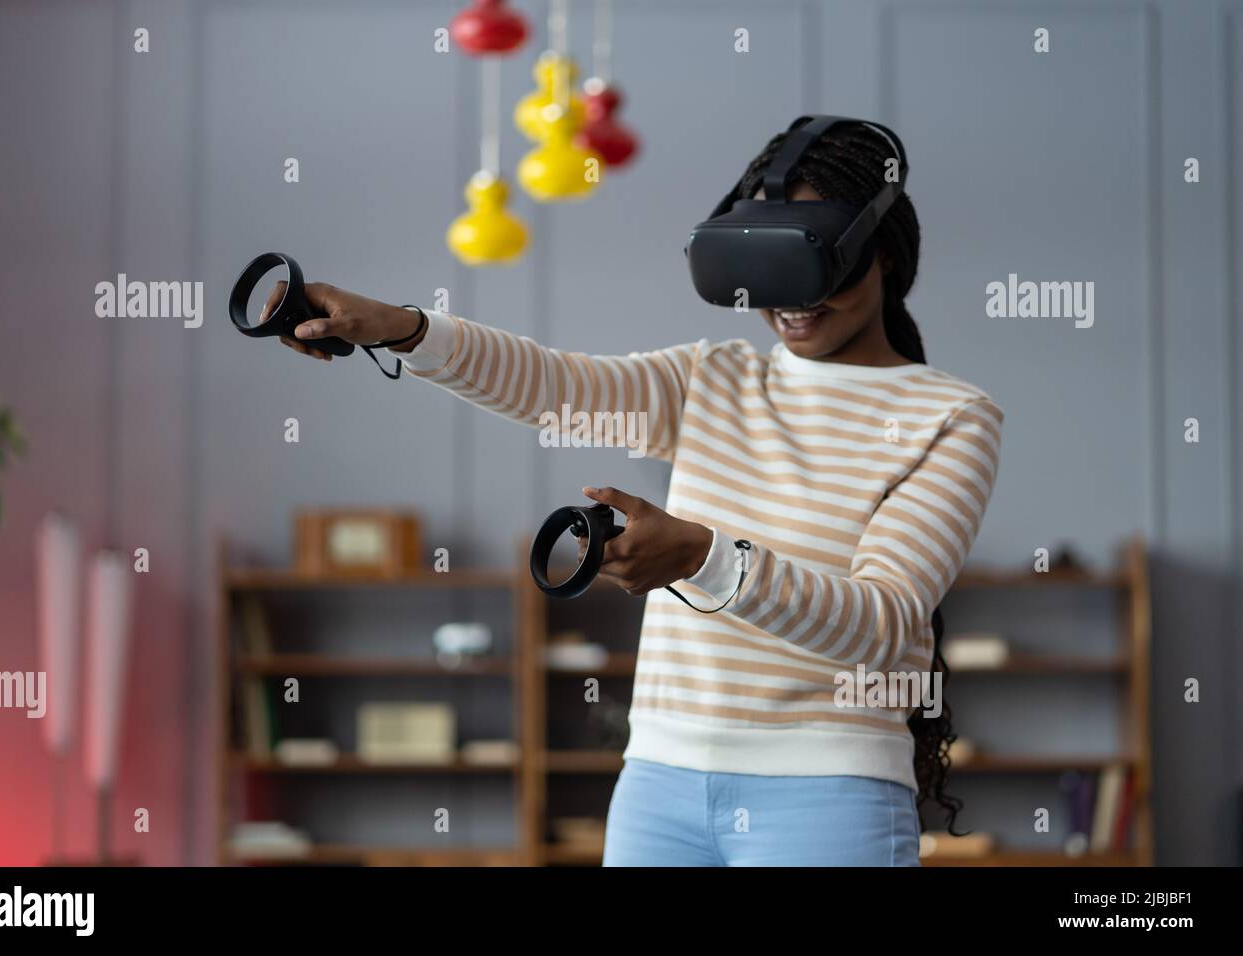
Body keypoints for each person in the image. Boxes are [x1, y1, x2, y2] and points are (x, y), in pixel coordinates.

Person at [267, 119, 1004, 866]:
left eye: (817, 262)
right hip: (659, 785)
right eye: (767, 264)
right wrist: (400, 328)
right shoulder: (712, 379)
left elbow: (880, 626)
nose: (793, 300)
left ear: (880, 248)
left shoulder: (949, 417)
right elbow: (554, 388)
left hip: (827, 796)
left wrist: (703, 558)